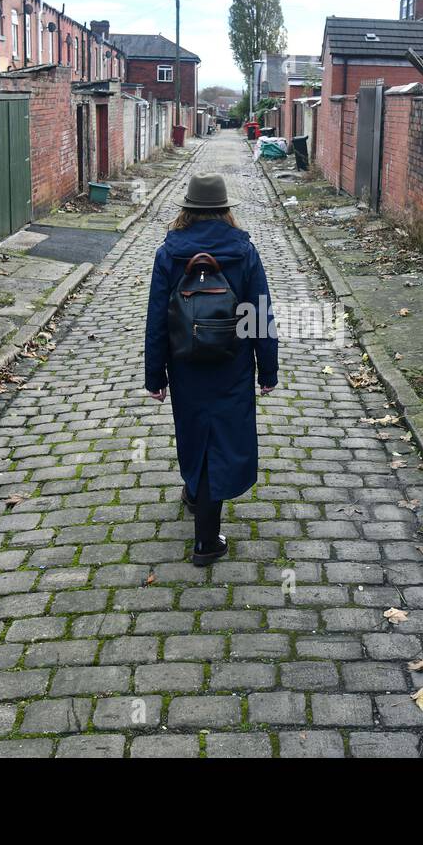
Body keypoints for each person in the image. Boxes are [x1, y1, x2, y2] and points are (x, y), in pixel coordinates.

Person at [144, 174, 278, 567]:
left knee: (194, 431)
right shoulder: (244, 252)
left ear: (187, 209)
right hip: (231, 365)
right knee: (222, 438)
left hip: (185, 365)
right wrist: (266, 370)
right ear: (225, 209)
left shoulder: (169, 253)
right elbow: (259, 314)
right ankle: (206, 541)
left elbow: (157, 320)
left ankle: (194, 495)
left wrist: (155, 376)